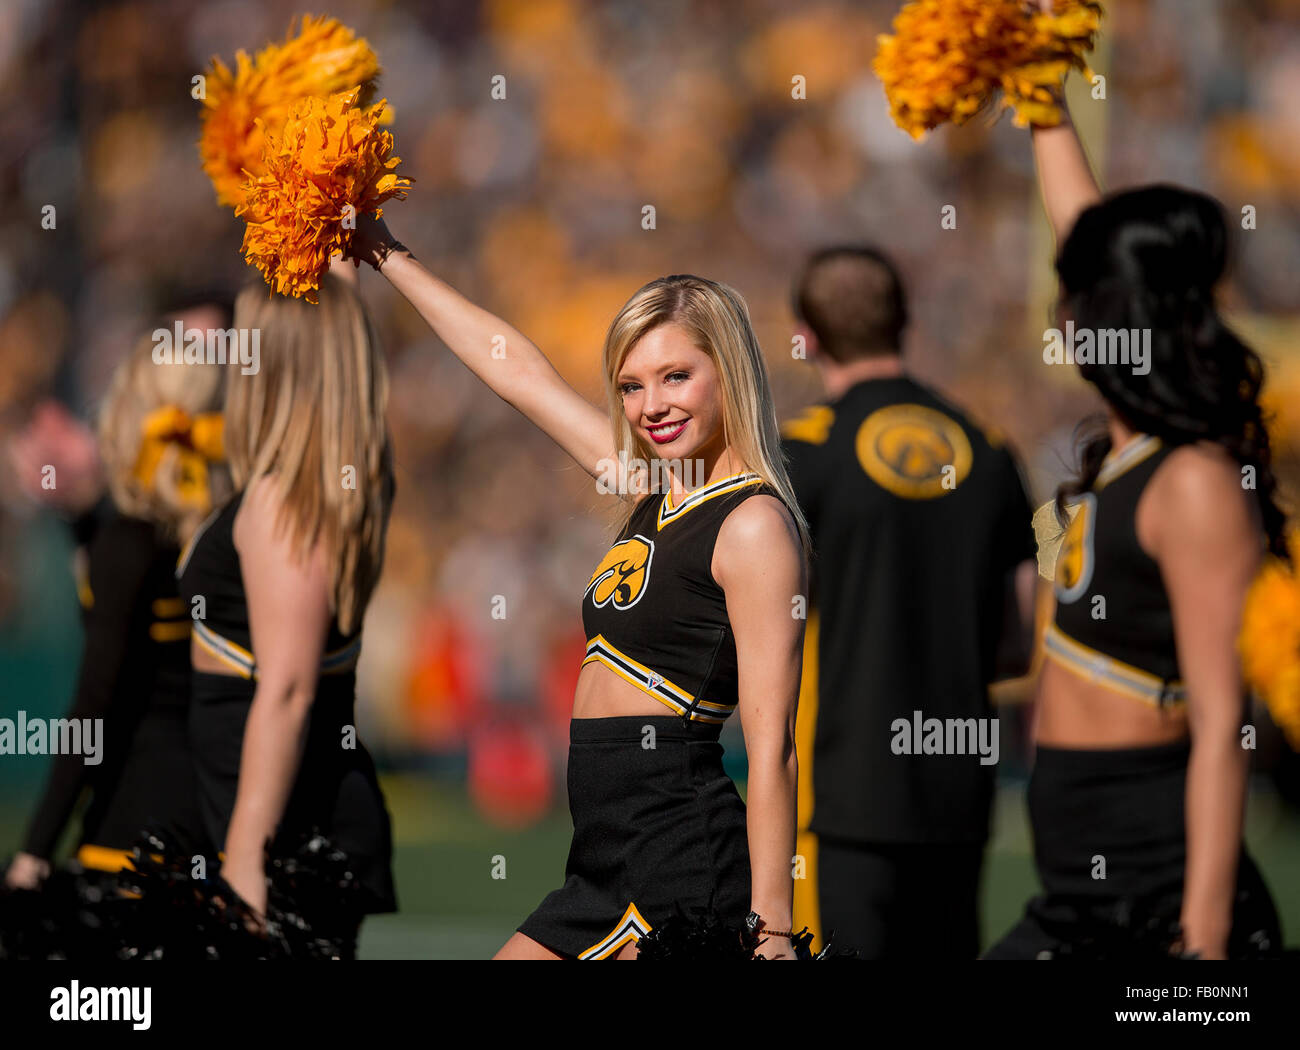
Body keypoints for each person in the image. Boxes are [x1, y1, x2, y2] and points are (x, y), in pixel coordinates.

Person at [348, 217, 809, 960]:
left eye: (676, 377)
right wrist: (384, 252)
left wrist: (775, 929)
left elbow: (772, 747)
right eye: (631, 386)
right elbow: (518, 374)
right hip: (603, 862)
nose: (650, 405)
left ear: (731, 371)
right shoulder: (658, 487)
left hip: (676, 861)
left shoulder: (753, 525)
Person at [984, 68, 1285, 959]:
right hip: (1076, 886)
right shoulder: (1126, 445)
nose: (1061, 310)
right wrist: (1040, 96)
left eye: (1076, 296)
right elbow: (1088, 234)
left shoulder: (1190, 480)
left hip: (1160, 892)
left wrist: (1202, 943)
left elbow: (1226, 725)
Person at [780, 246, 1037, 959]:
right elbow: (1018, 645)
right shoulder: (990, 451)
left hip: (840, 795)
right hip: (957, 792)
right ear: (906, 321)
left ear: (805, 335)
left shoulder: (799, 453)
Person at [177, 273, 398, 956]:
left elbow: (289, 689)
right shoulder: (327, 481)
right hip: (292, 820)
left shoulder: (283, 503)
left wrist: (244, 863)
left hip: (285, 839)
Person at [5, 332, 227, 894]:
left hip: (129, 833)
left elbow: (95, 703)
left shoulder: (129, 544)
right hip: (216, 824)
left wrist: (35, 848)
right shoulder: (227, 528)